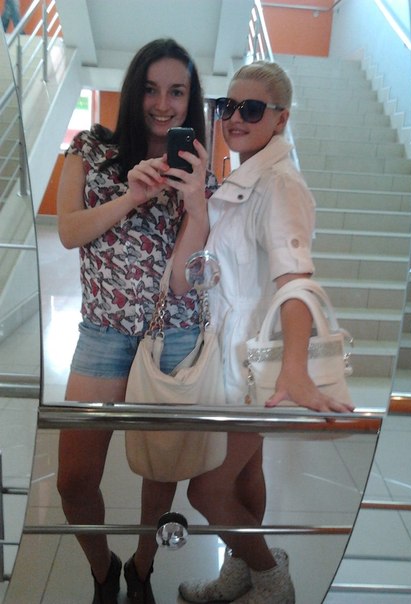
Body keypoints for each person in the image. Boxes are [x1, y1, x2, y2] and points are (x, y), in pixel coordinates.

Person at [176, 61, 355, 603]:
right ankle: (243, 573)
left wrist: (295, 368)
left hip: (253, 367)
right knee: (244, 475)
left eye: (251, 109)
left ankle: (272, 578)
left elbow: (295, 281)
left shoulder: (279, 184)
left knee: (207, 490)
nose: (235, 117)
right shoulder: (245, 178)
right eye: (228, 106)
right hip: (230, 357)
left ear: (281, 119)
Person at [56, 38, 214, 604]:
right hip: (102, 333)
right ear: (132, 92)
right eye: (150, 89)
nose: (163, 104)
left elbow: (183, 280)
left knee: (160, 470)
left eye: (177, 91)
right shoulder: (90, 149)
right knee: (74, 481)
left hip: (171, 335)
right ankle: (103, 570)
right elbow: (69, 231)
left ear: (190, 99)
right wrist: (131, 196)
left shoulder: (197, 168)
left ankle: (143, 566)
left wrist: (196, 205)